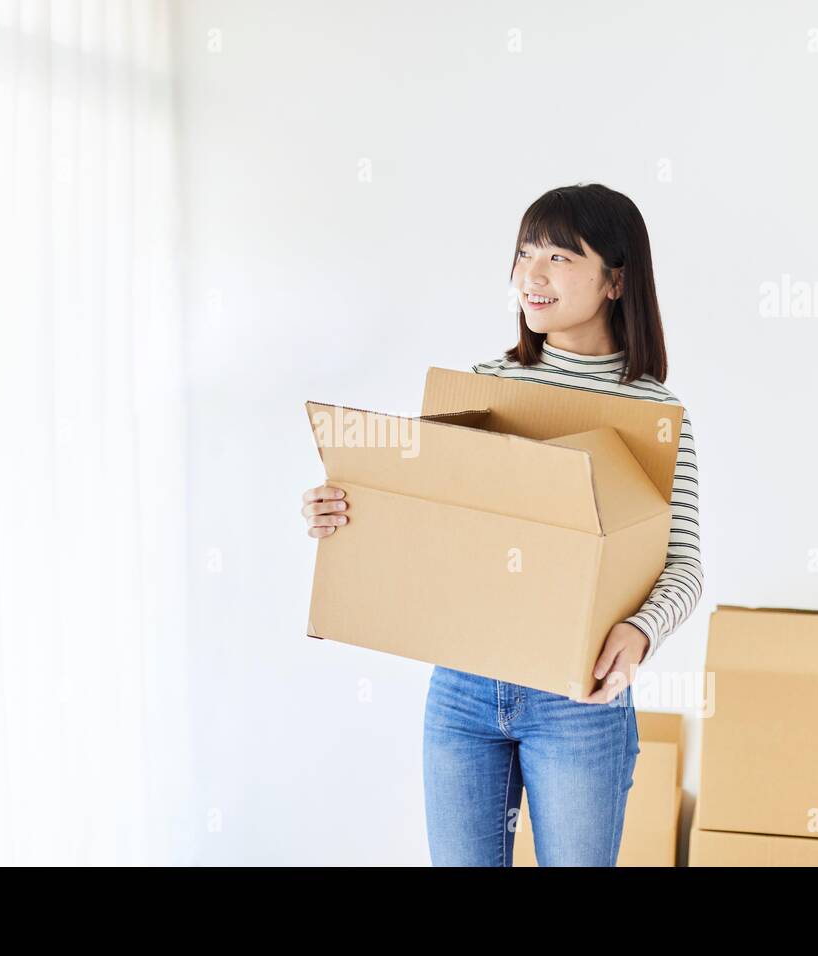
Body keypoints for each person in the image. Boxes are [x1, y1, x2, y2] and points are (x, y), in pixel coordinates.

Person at [300, 183, 702, 866]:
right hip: (462, 689)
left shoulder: (654, 413)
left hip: (577, 698)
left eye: (559, 256)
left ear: (617, 280)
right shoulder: (485, 384)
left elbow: (683, 565)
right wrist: (344, 511)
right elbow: (430, 524)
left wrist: (639, 633)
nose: (531, 275)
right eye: (523, 254)